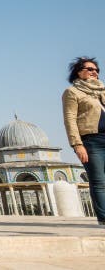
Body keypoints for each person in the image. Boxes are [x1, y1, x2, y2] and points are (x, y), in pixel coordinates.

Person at [62, 56, 105, 226]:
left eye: (96, 69)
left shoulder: (102, 90)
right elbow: (70, 119)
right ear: (79, 73)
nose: (94, 72)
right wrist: (77, 144)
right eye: (90, 69)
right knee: (99, 181)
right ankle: (103, 218)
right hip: (92, 140)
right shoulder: (72, 92)